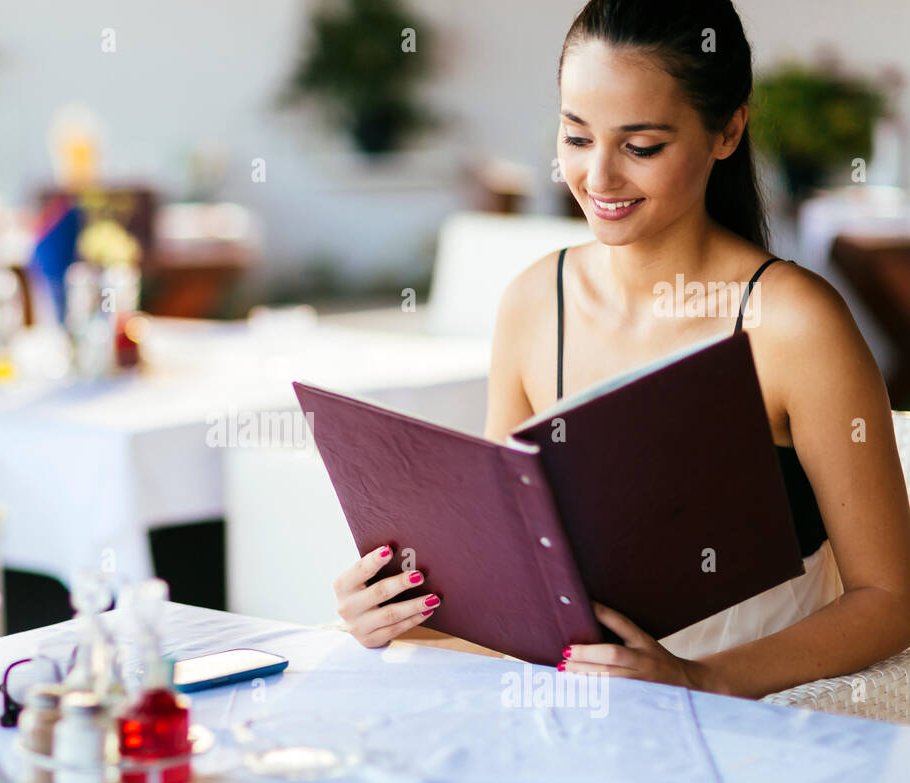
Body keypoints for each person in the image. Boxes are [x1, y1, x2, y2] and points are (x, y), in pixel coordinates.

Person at [332, 0, 910, 699]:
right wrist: (404, 613)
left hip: (759, 720)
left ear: (728, 130)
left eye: (640, 147)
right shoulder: (532, 303)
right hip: (578, 713)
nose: (599, 179)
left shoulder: (793, 324)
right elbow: (517, 587)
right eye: (576, 138)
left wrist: (698, 680)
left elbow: (889, 599)